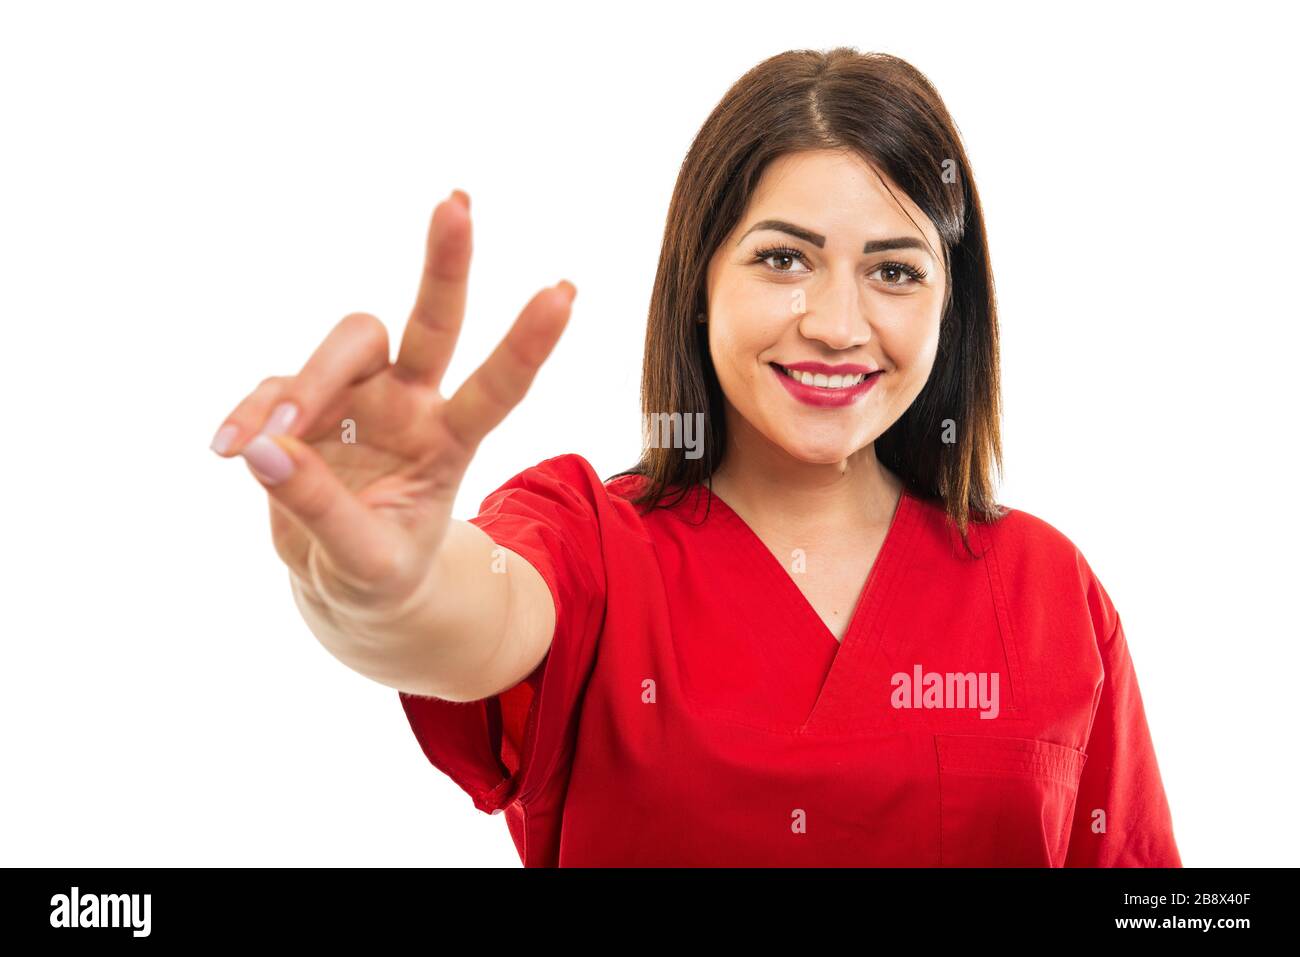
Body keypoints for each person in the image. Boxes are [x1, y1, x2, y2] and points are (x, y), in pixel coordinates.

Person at [209, 47, 1181, 867]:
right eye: (783, 258)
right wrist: (378, 584)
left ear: (948, 306)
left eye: (894, 271)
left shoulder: (1048, 590)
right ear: (701, 281)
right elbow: (458, 615)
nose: (839, 325)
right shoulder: (590, 543)